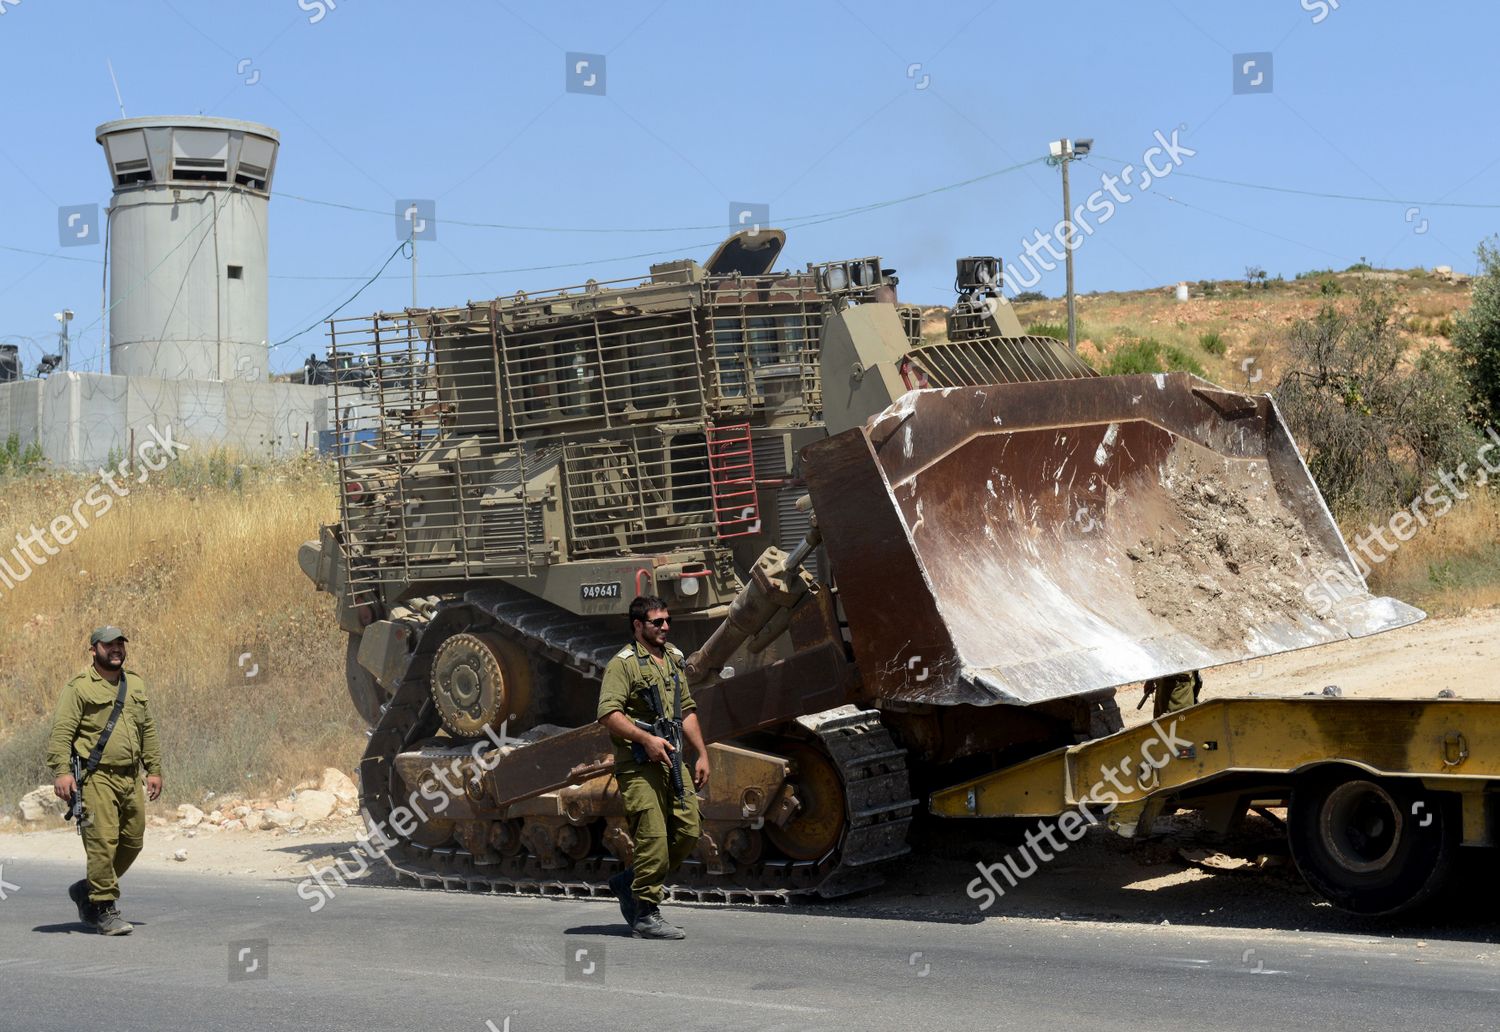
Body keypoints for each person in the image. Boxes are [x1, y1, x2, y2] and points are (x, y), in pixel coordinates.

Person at [596, 596, 710, 940]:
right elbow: (608, 714)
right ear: (637, 625)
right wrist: (645, 740)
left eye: (666, 621)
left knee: (689, 831)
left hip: (672, 758)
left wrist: (702, 753)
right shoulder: (624, 664)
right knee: (653, 838)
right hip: (639, 764)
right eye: (656, 622)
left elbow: (686, 709)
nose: (664, 627)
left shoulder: (673, 658)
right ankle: (645, 912)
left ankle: (629, 882)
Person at [46, 627, 163, 936]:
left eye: (120, 644)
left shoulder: (133, 683)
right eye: (108, 644)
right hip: (95, 778)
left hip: (129, 777)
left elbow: (147, 729)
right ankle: (103, 908)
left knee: (133, 840)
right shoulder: (79, 687)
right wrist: (61, 771)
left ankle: (87, 889)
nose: (116, 649)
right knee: (101, 844)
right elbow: (61, 732)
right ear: (93, 649)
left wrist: (153, 769)